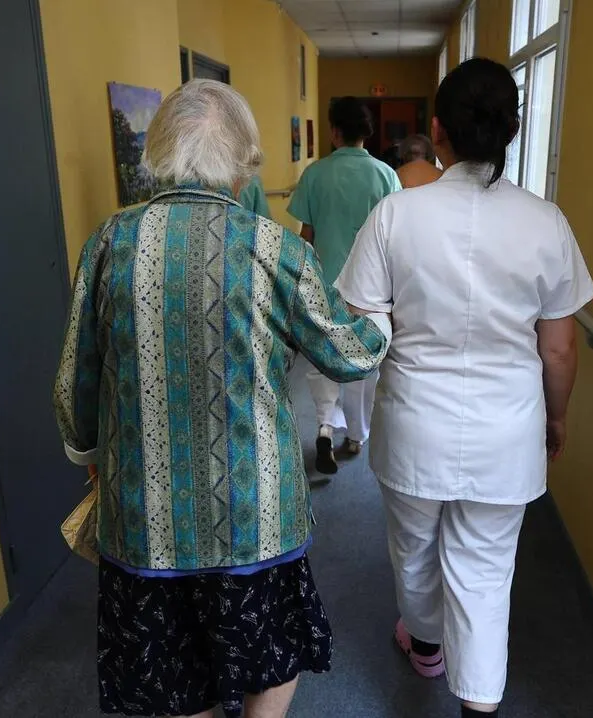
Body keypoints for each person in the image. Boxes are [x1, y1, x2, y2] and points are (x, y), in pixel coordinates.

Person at [53, 79, 391, 718]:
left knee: (171, 666)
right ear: (243, 161)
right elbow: (350, 354)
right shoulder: (273, 247)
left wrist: (95, 458)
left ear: (158, 152)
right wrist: (381, 318)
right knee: (268, 648)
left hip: (143, 514)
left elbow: (77, 379)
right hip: (254, 511)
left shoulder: (107, 243)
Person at [335, 58, 593, 717]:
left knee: (414, 550)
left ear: (436, 131)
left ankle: (426, 645)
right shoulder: (546, 222)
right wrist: (556, 419)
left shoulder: (396, 214)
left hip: (414, 422)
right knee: (484, 575)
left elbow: (361, 331)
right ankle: (478, 707)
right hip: (508, 429)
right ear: (512, 129)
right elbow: (560, 347)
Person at [287, 96, 401, 475]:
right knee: (362, 365)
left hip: (324, 285)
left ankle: (323, 424)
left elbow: (306, 236)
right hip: (370, 289)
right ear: (365, 133)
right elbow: (396, 239)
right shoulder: (386, 175)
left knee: (323, 361)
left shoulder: (315, 174)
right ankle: (356, 434)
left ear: (334, 132)